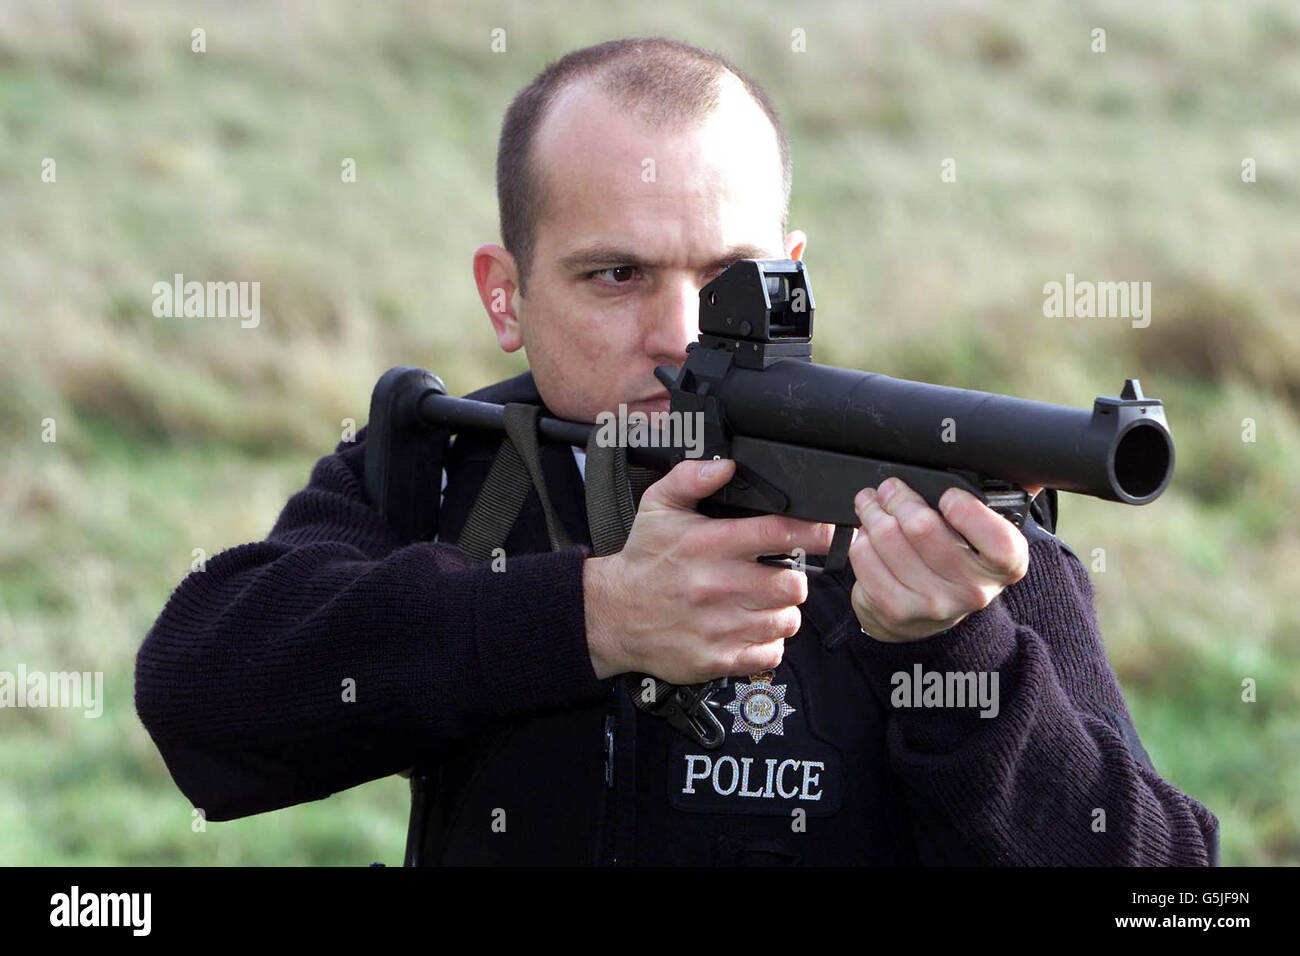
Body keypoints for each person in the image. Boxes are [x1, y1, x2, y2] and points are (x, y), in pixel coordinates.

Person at [136, 36, 1219, 865]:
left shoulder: (932, 508)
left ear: (791, 276)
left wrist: (953, 655)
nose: (680, 334)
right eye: (616, 275)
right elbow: (201, 695)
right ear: (504, 295)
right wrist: (585, 615)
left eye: (728, 277)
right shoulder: (461, 463)